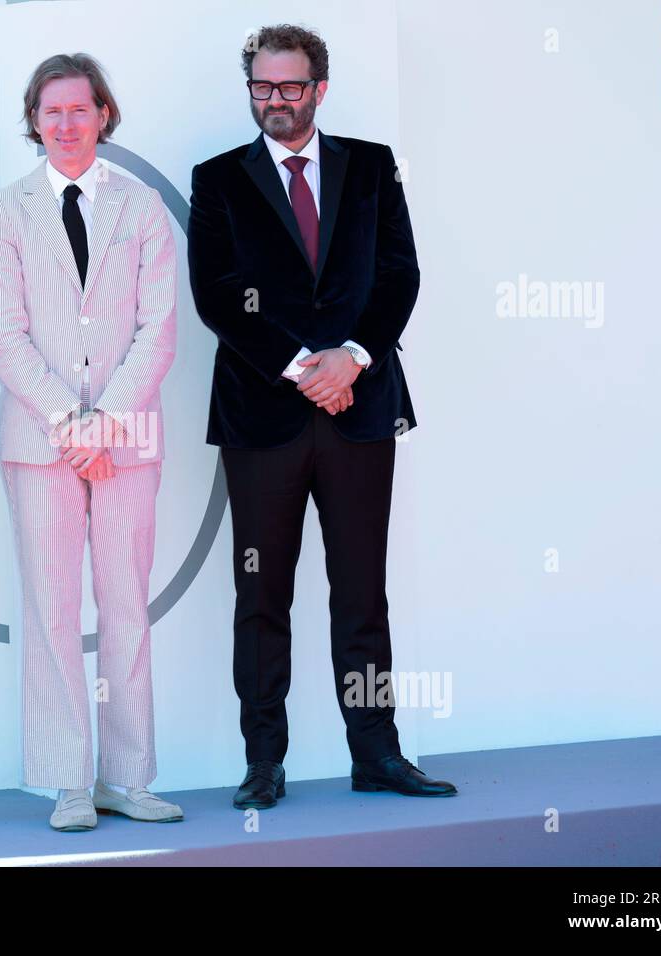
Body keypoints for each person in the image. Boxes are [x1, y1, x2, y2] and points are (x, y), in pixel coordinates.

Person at [187, 23, 457, 809]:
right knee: (261, 595)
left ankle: (376, 753)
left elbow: (400, 273)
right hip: (261, 415)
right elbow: (217, 295)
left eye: (289, 87)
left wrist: (354, 357)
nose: (275, 101)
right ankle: (263, 762)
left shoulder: (371, 167)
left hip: (361, 409)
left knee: (361, 592)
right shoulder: (218, 179)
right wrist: (304, 367)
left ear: (319, 89)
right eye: (262, 88)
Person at [0, 53, 180, 831]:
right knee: (53, 609)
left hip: (127, 444)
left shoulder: (143, 207)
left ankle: (129, 777)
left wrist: (107, 425)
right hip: (39, 443)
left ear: (103, 115)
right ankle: (67, 779)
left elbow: (159, 330)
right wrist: (72, 424)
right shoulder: (5, 212)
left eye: (79, 109)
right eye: (51, 111)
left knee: (127, 606)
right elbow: (4, 337)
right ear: (34, 120)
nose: (65, 124)